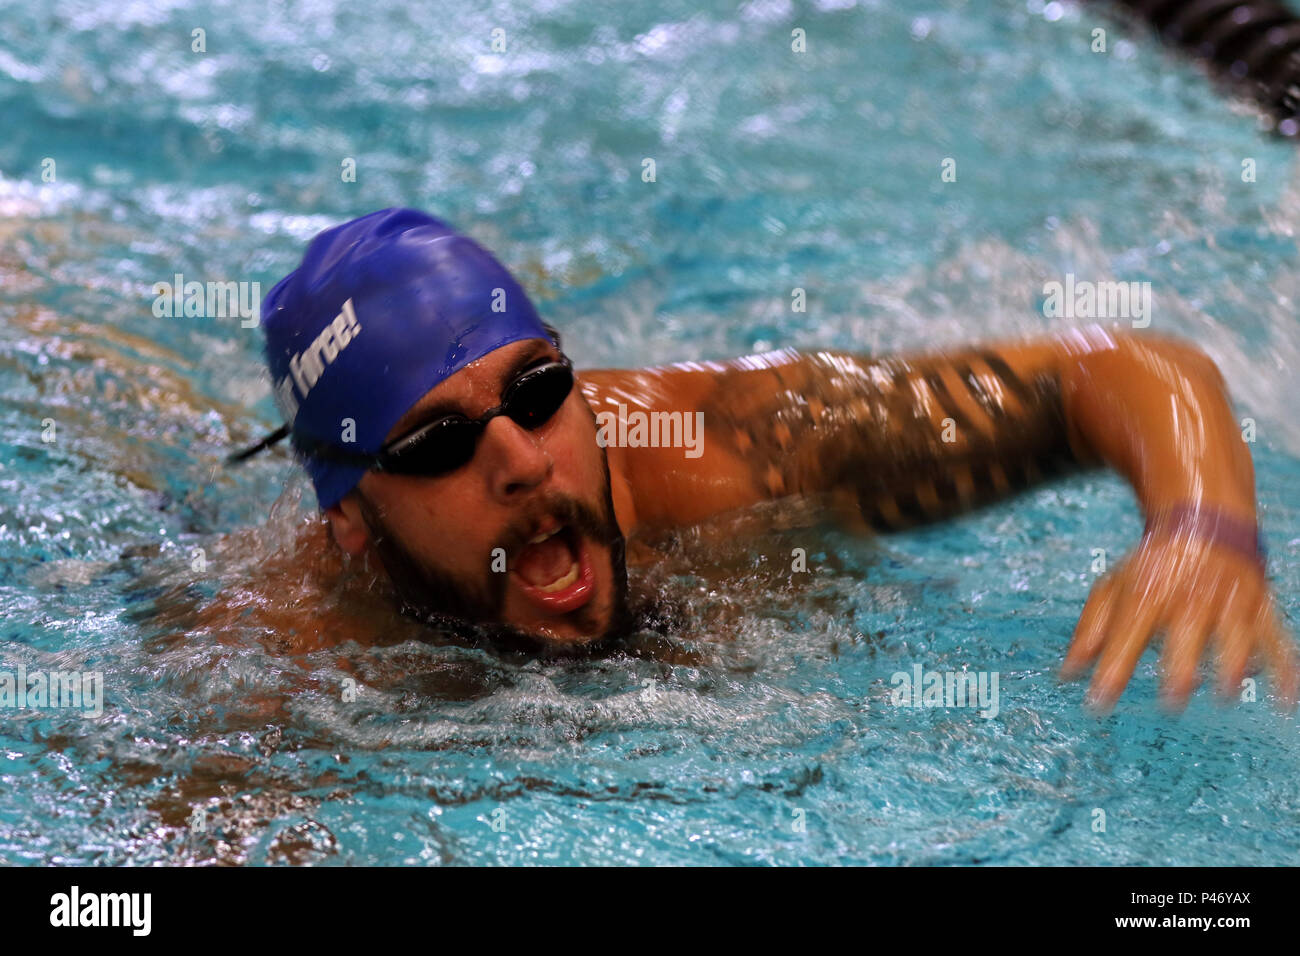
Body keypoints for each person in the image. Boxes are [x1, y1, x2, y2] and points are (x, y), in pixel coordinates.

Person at [230, 207, 1297, 713]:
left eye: (540, 390)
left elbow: (1120, 371)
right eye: (437, 441)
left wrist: (1200, 525)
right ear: (351, 519)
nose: (521, 458)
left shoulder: (725, 446)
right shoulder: (287, 651)